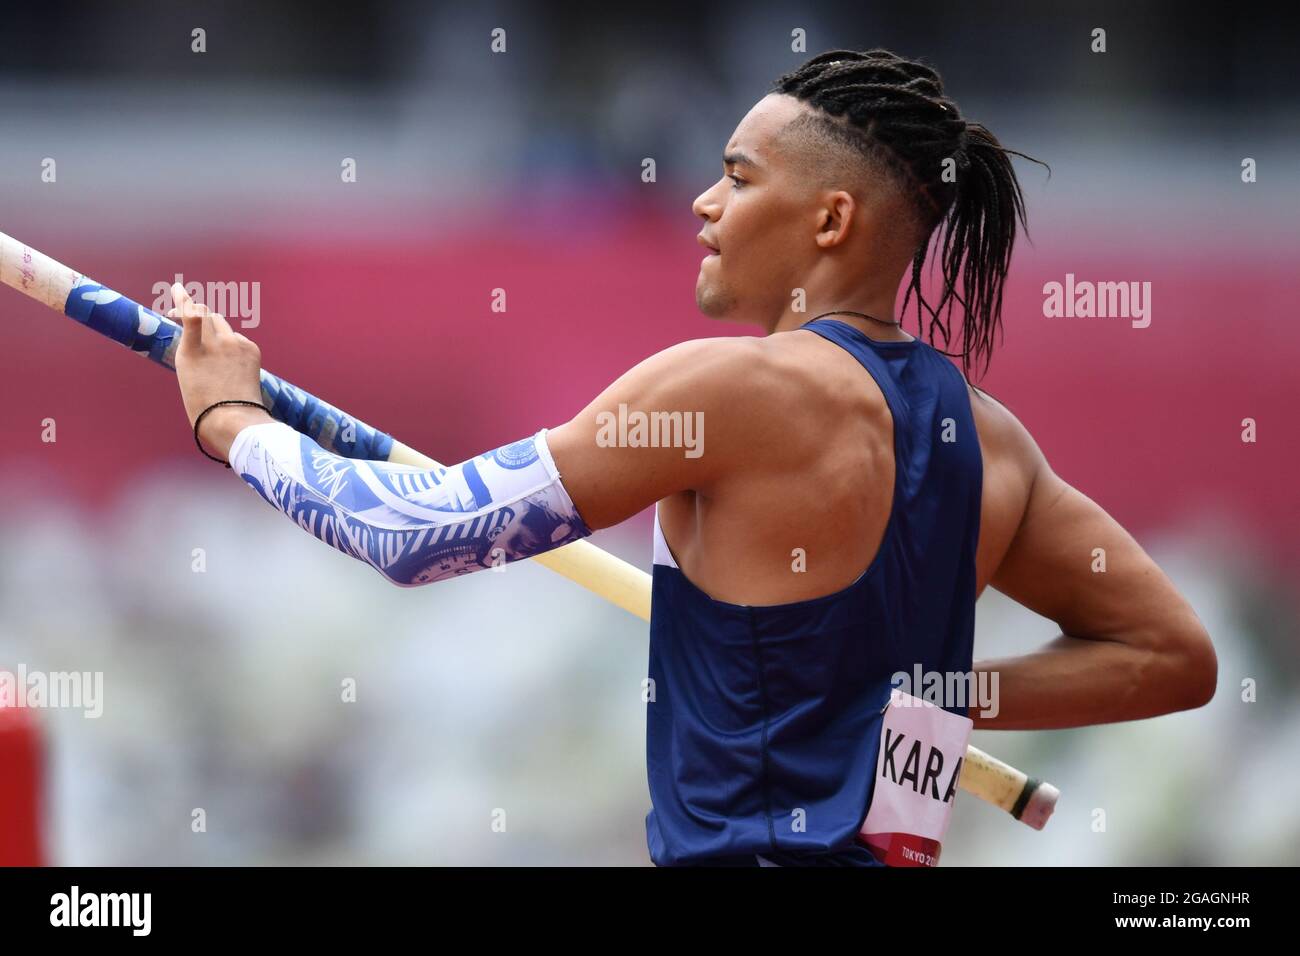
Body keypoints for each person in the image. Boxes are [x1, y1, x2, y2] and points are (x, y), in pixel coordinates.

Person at [168, 49, 1217, 866]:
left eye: (734, 177)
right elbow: (1174, 657)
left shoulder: (727, 391)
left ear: (830, 217)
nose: (700, 206)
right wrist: (940, 687)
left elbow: (416, 532)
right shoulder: (992, 441)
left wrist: (233, 425)